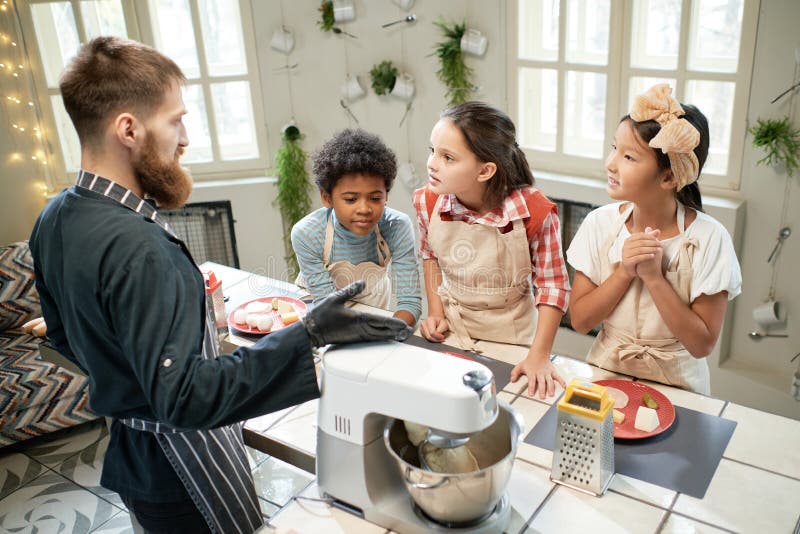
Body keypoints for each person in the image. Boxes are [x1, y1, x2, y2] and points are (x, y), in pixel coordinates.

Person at [28, 37, 411, 534]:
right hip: (182, 466)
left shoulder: (54, 216)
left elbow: (61, 334)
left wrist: (127, 377)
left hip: (133, 456)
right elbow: (184, 397)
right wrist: (309, 331)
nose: (184, 138)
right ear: (128, 128)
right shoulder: (143, 249)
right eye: (175, 119)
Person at [567, 84, 742, 395]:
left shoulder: (709, 238)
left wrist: (654, 278)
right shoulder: (600, 223)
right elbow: (580, 320)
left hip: (679, 385)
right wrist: (623, 272)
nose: (611, 163)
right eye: (614, 148)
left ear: (669, 177)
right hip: (608, 373)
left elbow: (702, 344)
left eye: (629, 157)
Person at [413, 101, 571, 399]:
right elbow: (429, 253)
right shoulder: (428, 201)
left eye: (448, 157)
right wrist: (435, 312)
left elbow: (553, 285)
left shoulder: (534, 211)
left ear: (485, 170)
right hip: (452, 331)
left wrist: (539, 355)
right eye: (432, 150)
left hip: (512, 339)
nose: (432, 163)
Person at [292, 129, 421, 327]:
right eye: (351, 199)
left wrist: (391, 332)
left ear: (386, 195)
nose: (364, 209)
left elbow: (409, 302)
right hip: (323, 315)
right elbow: (326, 306)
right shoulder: (307, 233)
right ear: (327, 198)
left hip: (374, 308)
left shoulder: (397, 226)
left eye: (375, 198)